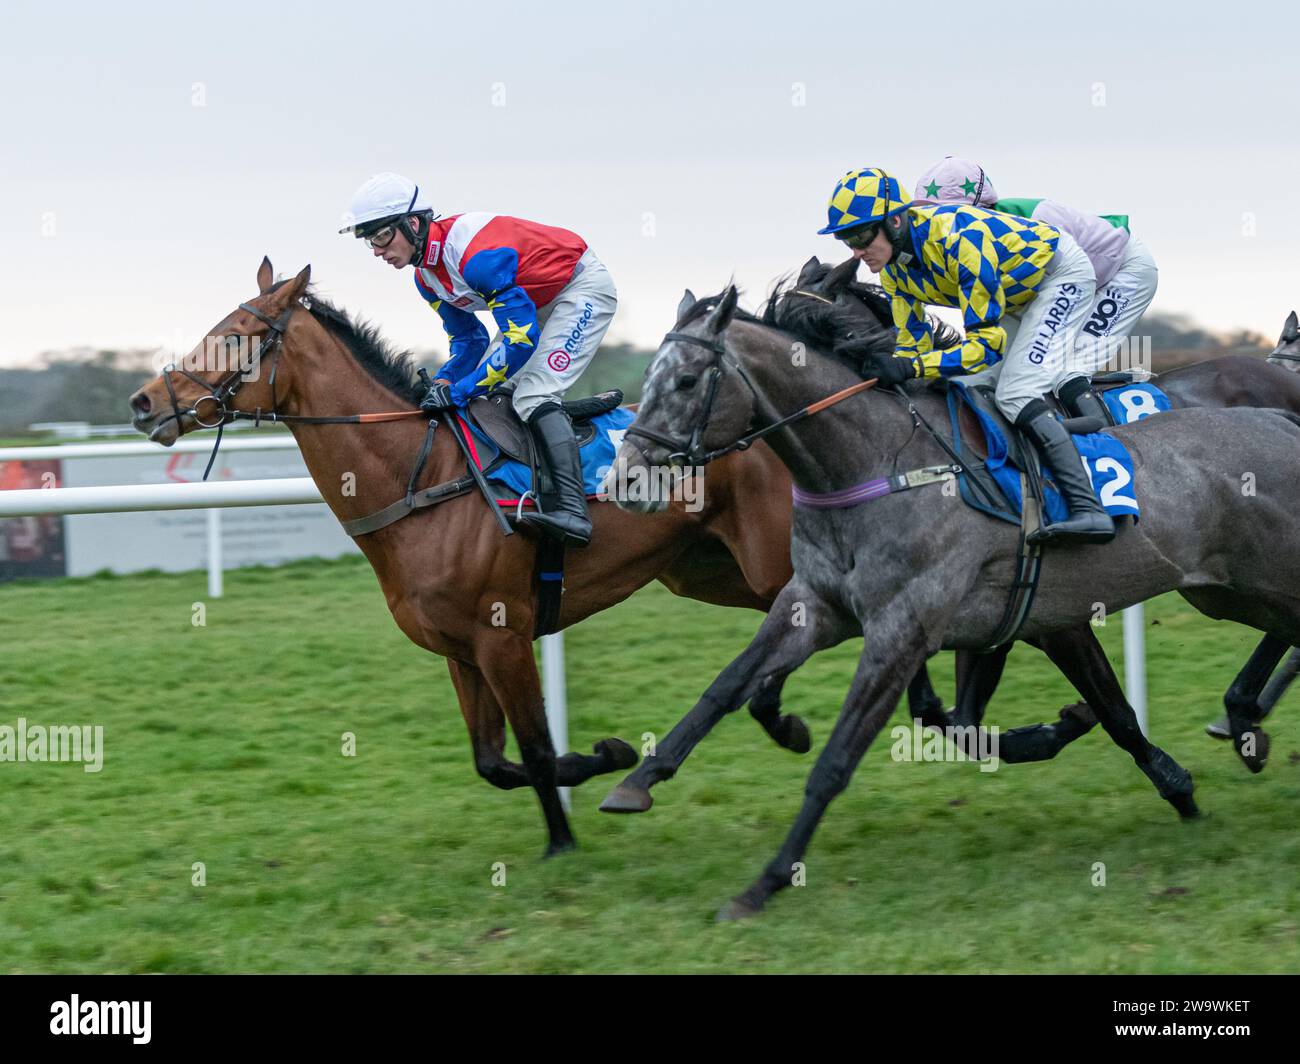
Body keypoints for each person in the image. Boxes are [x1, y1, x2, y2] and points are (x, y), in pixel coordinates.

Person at [819, 166, 1114, 544]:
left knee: (1016, 392)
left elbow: (986, 346)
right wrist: (894, 369)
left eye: (861, 236)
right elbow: (914, 345)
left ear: (894, 220)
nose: (857, 252)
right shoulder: (893, 271)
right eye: (847, 241)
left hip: (1060, 278)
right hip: (1016, 294)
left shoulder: (960, 239)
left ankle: (1089, 510)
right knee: (963, 388)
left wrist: (913, 365)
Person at [339, 171, 618, 546]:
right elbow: (469, 341)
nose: (376, 249)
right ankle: (558, 431)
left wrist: (459, 391)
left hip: (580, 290)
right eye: (369, 240)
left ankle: (573, 512)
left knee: (532, 395)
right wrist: (444, 381)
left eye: (381, 235)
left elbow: (519, 340)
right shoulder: (426, 279)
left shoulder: (476, 259)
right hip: (535, 303)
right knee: (492, 395)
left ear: (414, 223)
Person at [915, 156, 1158, 423]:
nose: (942, 222)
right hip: (1058, 289)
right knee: (980, 377)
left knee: (1067, 375)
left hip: (1124, 272)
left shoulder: (1035, 217)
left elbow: (1075, 282)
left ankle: (1109, 445)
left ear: (982, 207)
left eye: (951, 213)